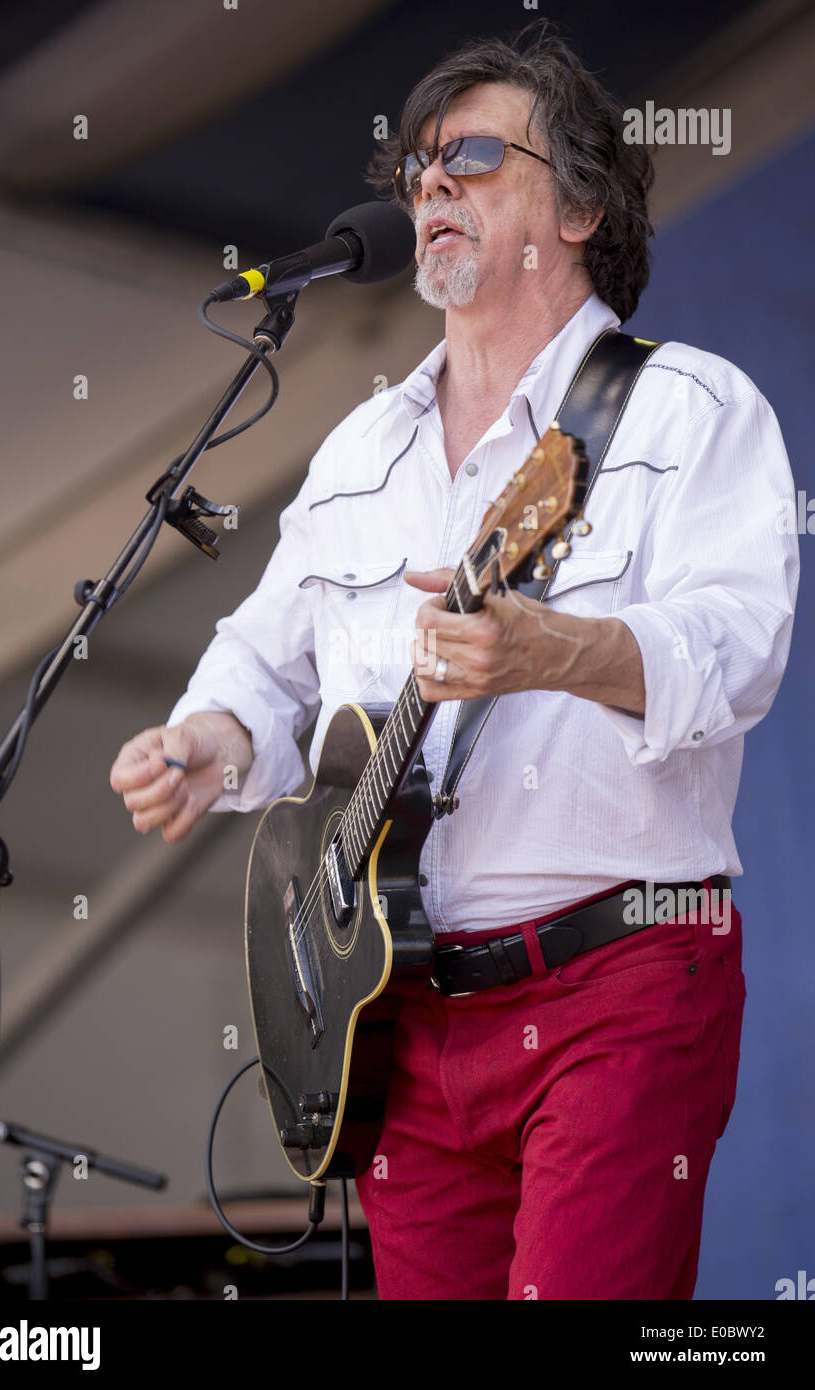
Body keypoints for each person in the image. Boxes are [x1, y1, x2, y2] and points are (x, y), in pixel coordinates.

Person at [109, 24, 799, 1299]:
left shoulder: (687, 411)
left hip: (619, 984)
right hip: (399, 1018)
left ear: (580, 202)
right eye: (418, 166)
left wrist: (557, 648)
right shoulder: (358, 450)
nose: (431, 183)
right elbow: (266, 659)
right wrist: (207, 736)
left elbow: (736, 652)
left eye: (472, 156)